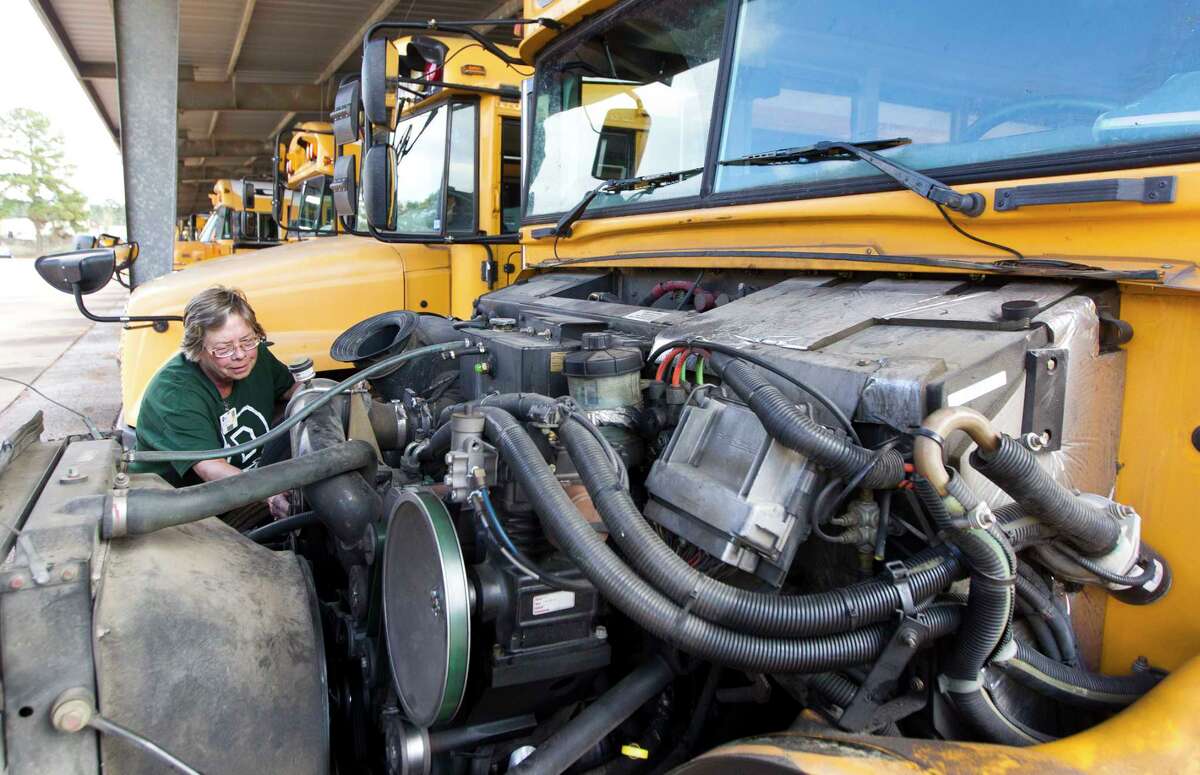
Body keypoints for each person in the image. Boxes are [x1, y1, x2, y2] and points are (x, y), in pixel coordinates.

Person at [131, 286, 299, 525]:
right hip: (182, 516)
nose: (240, 354)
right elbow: (211, 470)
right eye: (223, 348)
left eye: (247, 340)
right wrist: (270, 492)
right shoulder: (174, 395)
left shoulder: (255, 356)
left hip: (244, 487)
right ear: (197, 349)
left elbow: (291, 390)